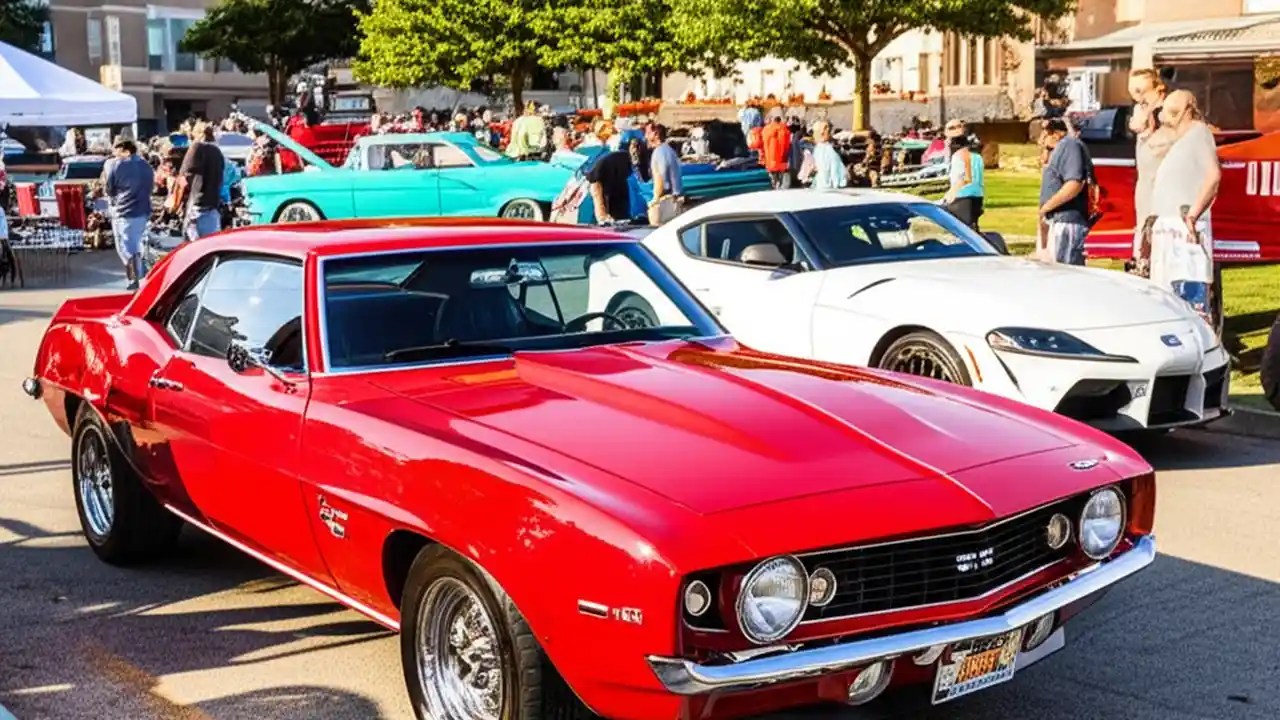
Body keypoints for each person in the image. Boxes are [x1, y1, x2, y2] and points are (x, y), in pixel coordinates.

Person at [1149, 90, 1221, 327]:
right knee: (1166, 298)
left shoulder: (1199, 133)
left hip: (1184, 228)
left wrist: (1192, 214)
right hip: (1167, 226)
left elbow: (1213, 176)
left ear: (1187, 108)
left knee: (1189, 296)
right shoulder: (1179, 140)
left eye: (1171, 108)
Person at [1128, 68, 1173, 266]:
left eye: (1142, 91)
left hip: (1165, 181)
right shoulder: (1141, 110)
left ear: (1159, 88)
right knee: (1143, 225)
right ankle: (1142, 262)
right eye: (1134, 92)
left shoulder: (1169, 110)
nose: (1138, 97)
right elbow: (1136, 125)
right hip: (1146, 182)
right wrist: (1146, 108)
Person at [1037, 118, 1094, 265]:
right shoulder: (1062, 149)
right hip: (1056, 222)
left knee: (1064, 276)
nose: (1040, 140)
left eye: (1044, 135)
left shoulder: (1070, 145)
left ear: (1056, 134)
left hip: (1066, 223)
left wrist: (1046, 208)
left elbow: (1074, 184)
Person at [103, 138, 155, 290]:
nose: (115, 154)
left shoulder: (116, 165)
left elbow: (109, 189)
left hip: (124, 210)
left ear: (124, 150)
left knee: (125, 246)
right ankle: (139, 272)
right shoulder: (146, 166)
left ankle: (136, 277)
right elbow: (151, 187)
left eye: (116, 151)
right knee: (135, 243)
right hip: (143, 210)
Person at [178, 122, 226, 241]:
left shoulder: (196, 148)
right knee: (210, 245)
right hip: (213, 204)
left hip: (197, 205)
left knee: (193, 246)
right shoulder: (217, 152)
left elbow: (183, 176)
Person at [943, 135, 985, 229]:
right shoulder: (978, 157)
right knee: (973, 227)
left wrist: (949, 195)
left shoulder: (958, 156)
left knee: (961, 227)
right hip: (978, 195)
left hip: (962, 195)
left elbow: (959, 177)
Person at [645, 123, 683, 225]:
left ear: (656, 134)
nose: (646, 136)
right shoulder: (670, 151)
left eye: (648, 133)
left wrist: (655, 199)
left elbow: (660, 178)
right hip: (676, 200)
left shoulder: (658, 152)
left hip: (664, 202)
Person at [587, 148, 634, 223]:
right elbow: (596, 186)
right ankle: (604, 222)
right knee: (602, 212)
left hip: (609, 177)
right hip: (598, 180)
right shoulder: (620, 160)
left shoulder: (620, 159)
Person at [809, 120, 847, 190]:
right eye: (825, 127)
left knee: (832, 166)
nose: (827, 129)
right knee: (824, 167)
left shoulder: (827, 145)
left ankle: (834, 181)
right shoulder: (821, 142)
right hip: (822, 148)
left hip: (825, 148)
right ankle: (832, 182)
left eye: (827, 127)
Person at [761, 107, 793, 189]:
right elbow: (787, 146)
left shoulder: (766, 130)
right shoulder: (785, 130)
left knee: (772, 183)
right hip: (781, 162)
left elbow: (763, 145)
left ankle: (774, 186)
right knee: (783, 185)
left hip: (770, 161)